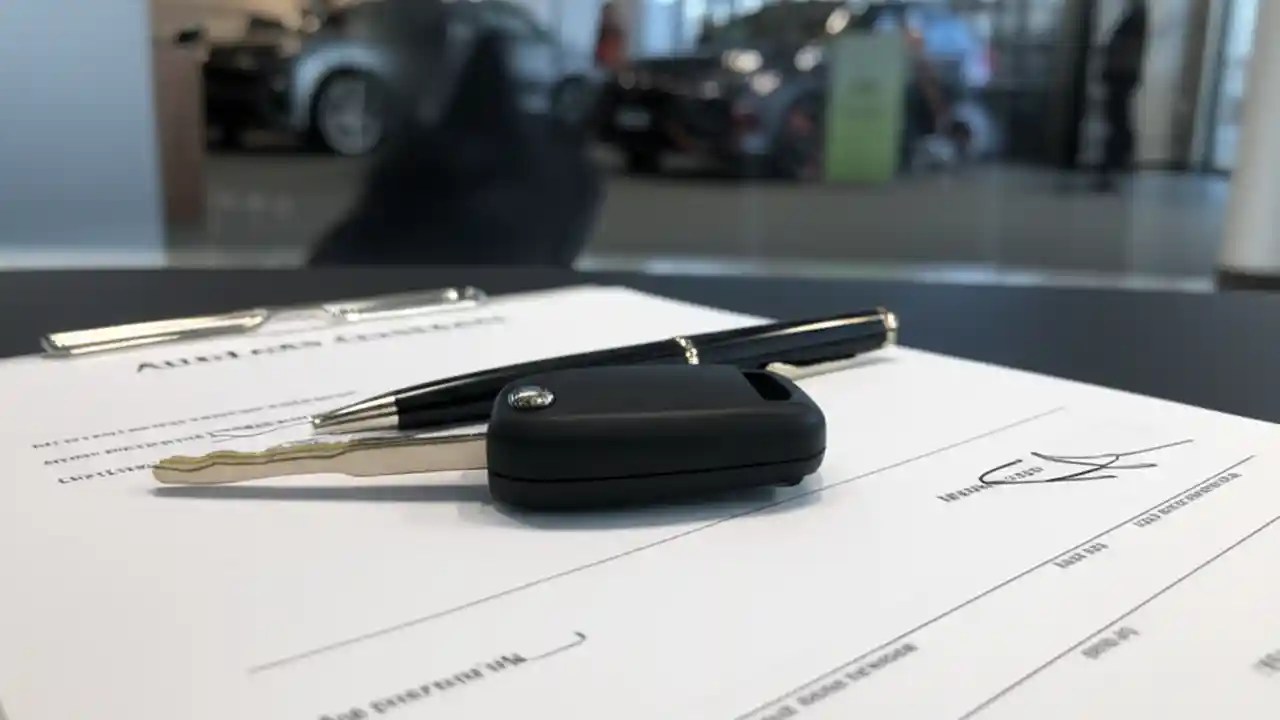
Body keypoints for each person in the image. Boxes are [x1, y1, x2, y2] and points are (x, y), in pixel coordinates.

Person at [1098, 0, 1148, 191]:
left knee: (1117, 123)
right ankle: (1116, 164)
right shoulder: (1135, 17)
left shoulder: (1135, 18)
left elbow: (1124, 50)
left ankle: (1114, 165)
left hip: (1120, 77)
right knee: (1118, 122)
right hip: (1121, 76)